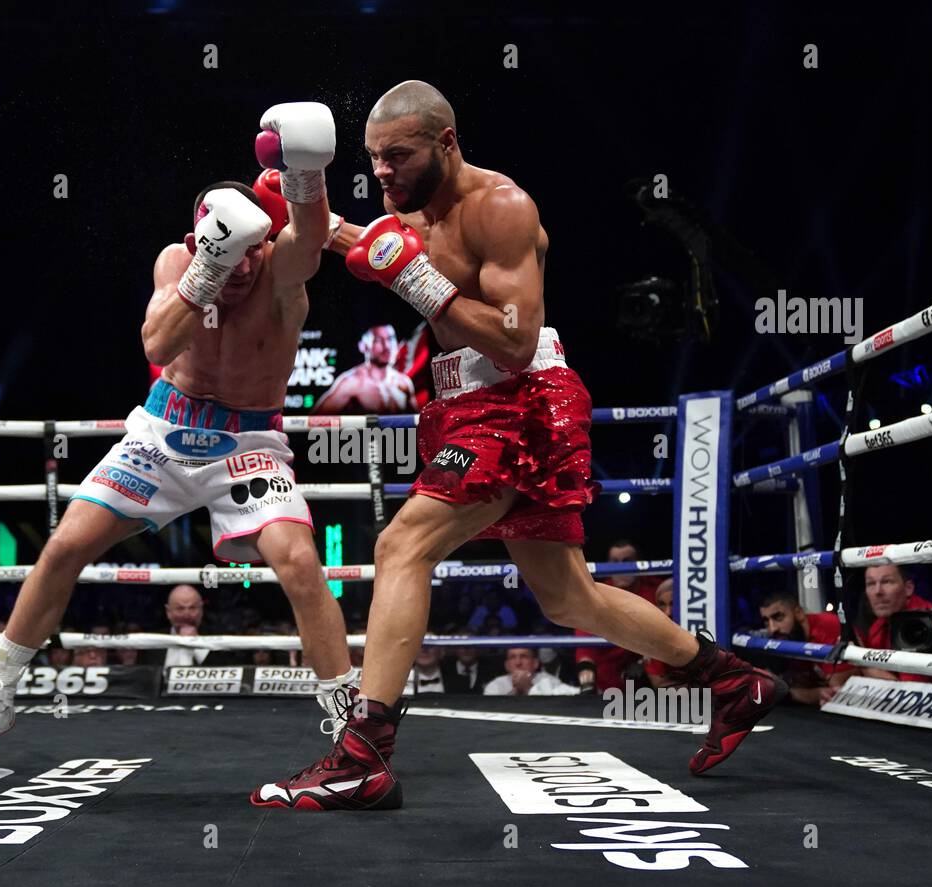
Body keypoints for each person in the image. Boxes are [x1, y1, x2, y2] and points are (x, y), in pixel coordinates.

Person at [251, 81, 785, 811]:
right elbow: (349, 244)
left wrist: (411, 274)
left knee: (400, 547)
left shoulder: (501, 207)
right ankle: (733, 679)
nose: (382, 171)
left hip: (521, 398)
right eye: (374, 158)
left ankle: (363, 755)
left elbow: (514, 338)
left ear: (446, 141)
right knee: (568, 598)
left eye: (397, 156)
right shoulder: (401, 209)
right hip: (463, 401)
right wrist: (301, 192)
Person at [0, 102, 358, 777]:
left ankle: (348, 726)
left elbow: (308, 242)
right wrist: (209, 264)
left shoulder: (283, 275)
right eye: (227, 244)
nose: (245, 262)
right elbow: (158, 343)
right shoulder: (180, 260)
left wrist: (306, 173)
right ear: (199, 237)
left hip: (247, 442)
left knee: (301, 563)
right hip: (165, 430)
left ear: (264, 241)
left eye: (250, 247)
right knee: (63, 547)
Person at [573, 540, 662, 690]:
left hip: (651, 679)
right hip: (607, 685)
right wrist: (586, 673)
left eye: (626, 562)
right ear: (608, 564)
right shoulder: (596, 595)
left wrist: (645, 662)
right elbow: (585, 643)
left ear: (638, 563)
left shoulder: (656, 591)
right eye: (615, 562)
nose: (620, 567)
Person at [757, 590, 844, 706]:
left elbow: (836, 690)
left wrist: (798, 692)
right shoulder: (782, 638)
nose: (772, 629)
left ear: (798, 613)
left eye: (778, 617)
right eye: (766, 622)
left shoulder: (827, 626)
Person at [857, 563, 932, 682]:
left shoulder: (922, 625)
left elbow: (910, 689)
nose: (877, 592)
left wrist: (860, 659)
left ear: (908, 588)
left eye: (887, 582)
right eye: (871, 584)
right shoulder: (879, 626)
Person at [316, 324, 417, 413]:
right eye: (378, 340)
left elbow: (420, 424)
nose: (386, 346)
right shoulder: (353, 383)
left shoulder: (404, 382)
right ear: (363, 346)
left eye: (390, 339)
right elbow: (315, 420)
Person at [482, 646, 581, 696]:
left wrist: (528, 689)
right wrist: (516, 692)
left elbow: (576, 695)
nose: (518, 663)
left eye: (524, 656)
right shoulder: (496, 685)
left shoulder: (549, 681)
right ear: (507, 665)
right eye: (512, 657)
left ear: (535, 663)